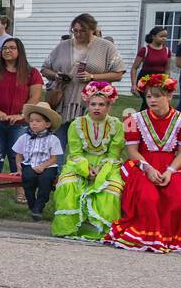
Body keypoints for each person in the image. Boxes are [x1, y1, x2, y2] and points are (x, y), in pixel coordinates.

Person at [106, 74, 181, 252]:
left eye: (157, 96)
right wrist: (147, 168)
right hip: (143, 164)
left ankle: (170, 237)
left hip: (172, 165)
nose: (152, 100)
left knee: (176, 196)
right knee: (149, 197)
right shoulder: (134, 120)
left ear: (169, 96)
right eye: (148, 96)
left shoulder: (179, 120)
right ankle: (149, 235)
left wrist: (170, 171)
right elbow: (132, 151)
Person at [40, 13, 126, 156]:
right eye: (75, 31)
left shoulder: (105, 47)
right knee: (57, 143)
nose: (78, 34)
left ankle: (85, 172)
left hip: (91, 103)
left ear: (92, 29)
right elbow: (44, 68)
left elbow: (118, 73)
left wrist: (92, 77)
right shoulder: (63, 46)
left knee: (88, 143)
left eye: (83, 31)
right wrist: (56, 75)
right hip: (62, 101)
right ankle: (57, 174)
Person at [52, 82, 124, 241]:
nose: (96, 108)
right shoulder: (76, 124)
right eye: (93, 104)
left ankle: (100, 230)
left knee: (112, 189)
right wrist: (86, 168)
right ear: (87, 104)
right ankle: (69, 228)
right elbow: (76, 151)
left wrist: (101, 169)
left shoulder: (116, 125)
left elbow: (114, 152)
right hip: (80, 162)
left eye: (101, 104)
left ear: (109, 106)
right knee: (67, 183)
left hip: (107, 165)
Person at [0, 36, 43, 202]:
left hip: (20, 123)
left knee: (18, 156)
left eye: (12, 48)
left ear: (19, 51)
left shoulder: (31, 73)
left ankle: (20, 190)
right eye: (5, 48)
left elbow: (35, 97)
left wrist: (22, 115)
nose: (7, 50)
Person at [13, 102, 64, 221]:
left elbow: (54, 158)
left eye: (38, 121)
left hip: (48, 166)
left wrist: (43, 166)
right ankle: (32, 206)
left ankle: (39, 207)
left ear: (47, 124)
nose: (34, 123)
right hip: (29, 164)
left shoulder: (53, 139)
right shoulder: (24, 137)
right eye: (31, 121)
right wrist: (19, 168)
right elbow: (18, 154)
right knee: (28, 180)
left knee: (45, 181)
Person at [131, 26, 172, 112]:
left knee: (158, 104)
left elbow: (167, 69)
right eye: (161, 36)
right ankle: (141, 121)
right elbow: (134, 68)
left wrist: (168, 82)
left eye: (165, 36)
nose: (164, 38)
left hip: (160, 80)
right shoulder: (145, 50)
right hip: (145, 80)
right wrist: (134, 85)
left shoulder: (167, 51)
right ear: (153, 37)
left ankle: (149, 121)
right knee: (148, 103)